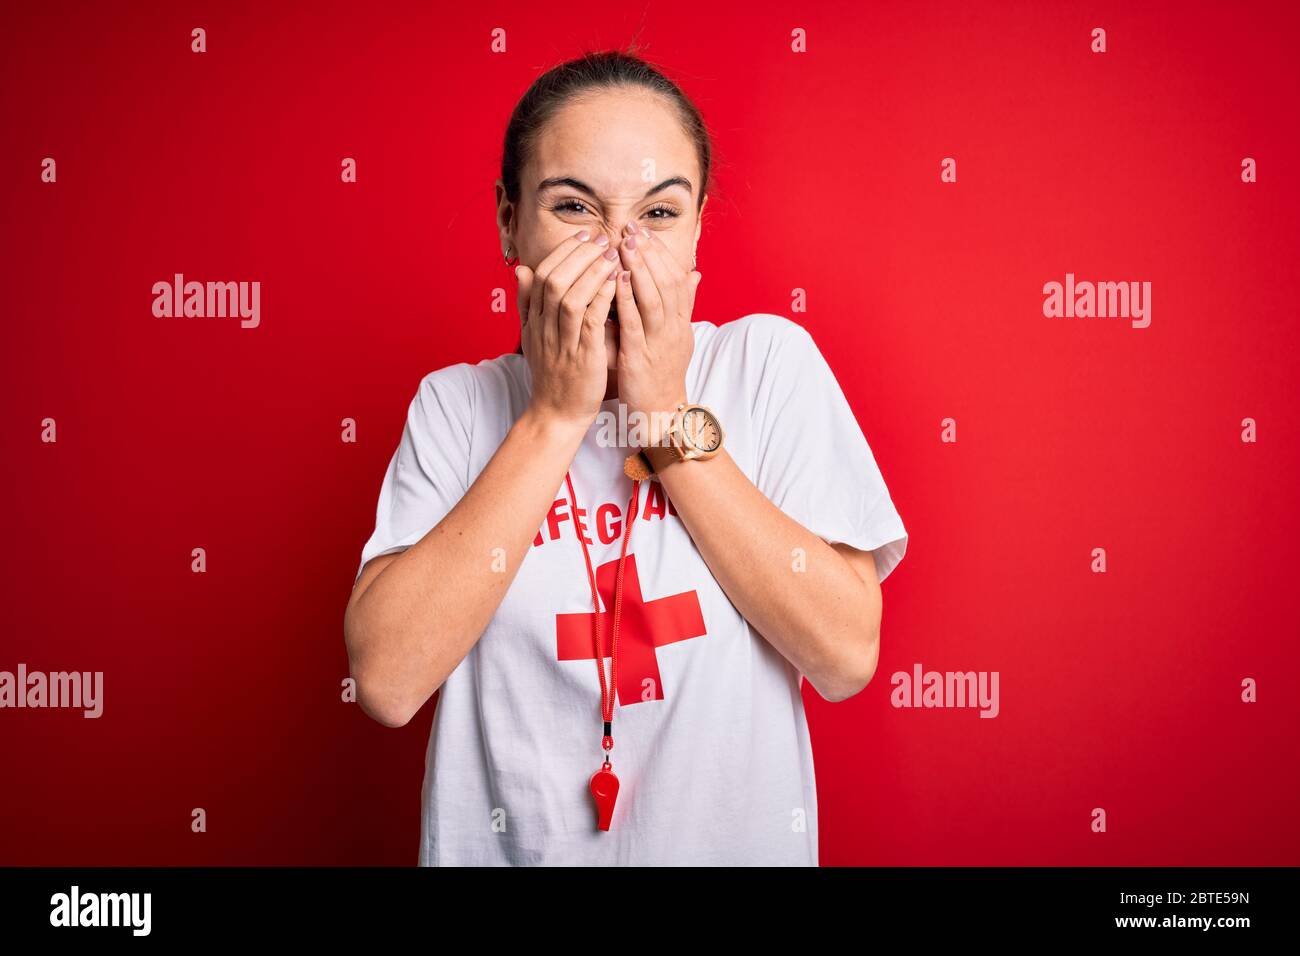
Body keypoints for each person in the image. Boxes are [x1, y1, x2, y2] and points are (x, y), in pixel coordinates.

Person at [344, 48, 908, 866]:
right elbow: (388, 683)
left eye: (659, 213)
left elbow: (846, 654)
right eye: (574, 206)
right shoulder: (457, 406)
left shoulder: (766, 367)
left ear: (699, 226)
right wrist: (553, 416)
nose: (618, 248)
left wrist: (667, 417)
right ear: (509, 222)